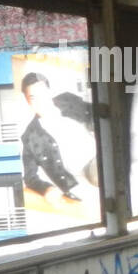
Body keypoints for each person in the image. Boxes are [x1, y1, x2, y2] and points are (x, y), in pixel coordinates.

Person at [20, 72, 94, 204]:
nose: (40, 101)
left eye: (42, 94)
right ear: (27, 101)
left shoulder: (68, 100)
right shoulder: (30, 137)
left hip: (106, 155)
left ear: (49, 91)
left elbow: (98, 113)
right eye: (33, 98)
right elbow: (30, 178)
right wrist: (46, 189)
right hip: (81, 185)